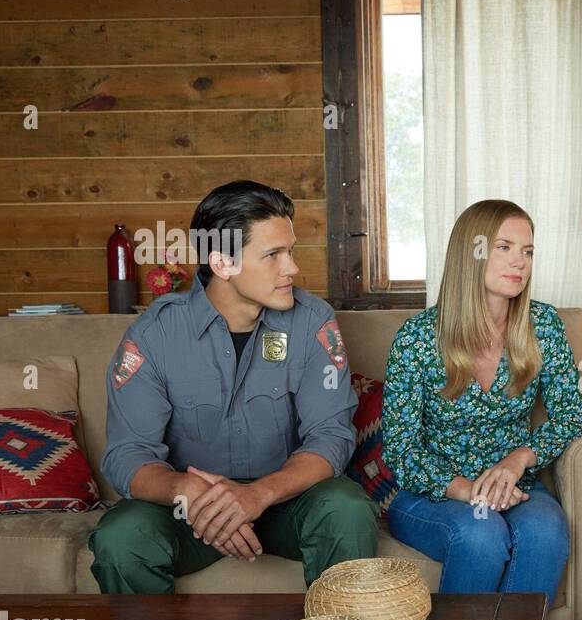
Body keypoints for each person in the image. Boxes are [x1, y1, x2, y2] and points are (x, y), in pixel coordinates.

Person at [89, 181, 378, 593]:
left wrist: (258, 495)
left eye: (290, 251)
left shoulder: (313, 321)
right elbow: (127, 455)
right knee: (121, 536)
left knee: (346, 507)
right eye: (273, 254)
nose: (291, 268)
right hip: (188, 512)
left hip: (283, 502)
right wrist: (189, 492)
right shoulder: (155, 335)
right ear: (222, 263)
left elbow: (330, 437)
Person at [381, 199, 582, 608]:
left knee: (546, 533)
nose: (520, 262)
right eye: (505, 247)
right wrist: (469, 491)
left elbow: (572, 414)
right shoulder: (418, 337)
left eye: (528, 252)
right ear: (471, 253)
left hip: (517, 488)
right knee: (481, 535)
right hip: (435, 496)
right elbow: (400, 449)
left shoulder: (543, 325)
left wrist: (518, 460)